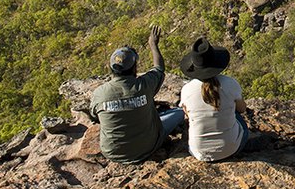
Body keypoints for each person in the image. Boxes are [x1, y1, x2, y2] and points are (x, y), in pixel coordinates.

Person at [89, 25, 184, 164]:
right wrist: (153, 44)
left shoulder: (100, 93)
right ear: (134, 68)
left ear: (111, 68)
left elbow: (94, 116)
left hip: (113, 153)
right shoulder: (144, 85)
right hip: (148, 147)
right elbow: (159, 68)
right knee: (180, 113)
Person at [178, 37, 249, 161]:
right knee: (238, 117)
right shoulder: (230, 83)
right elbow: (242, 109)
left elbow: (188, 115)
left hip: (199, 153)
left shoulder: (187, 90)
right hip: (231, 149)